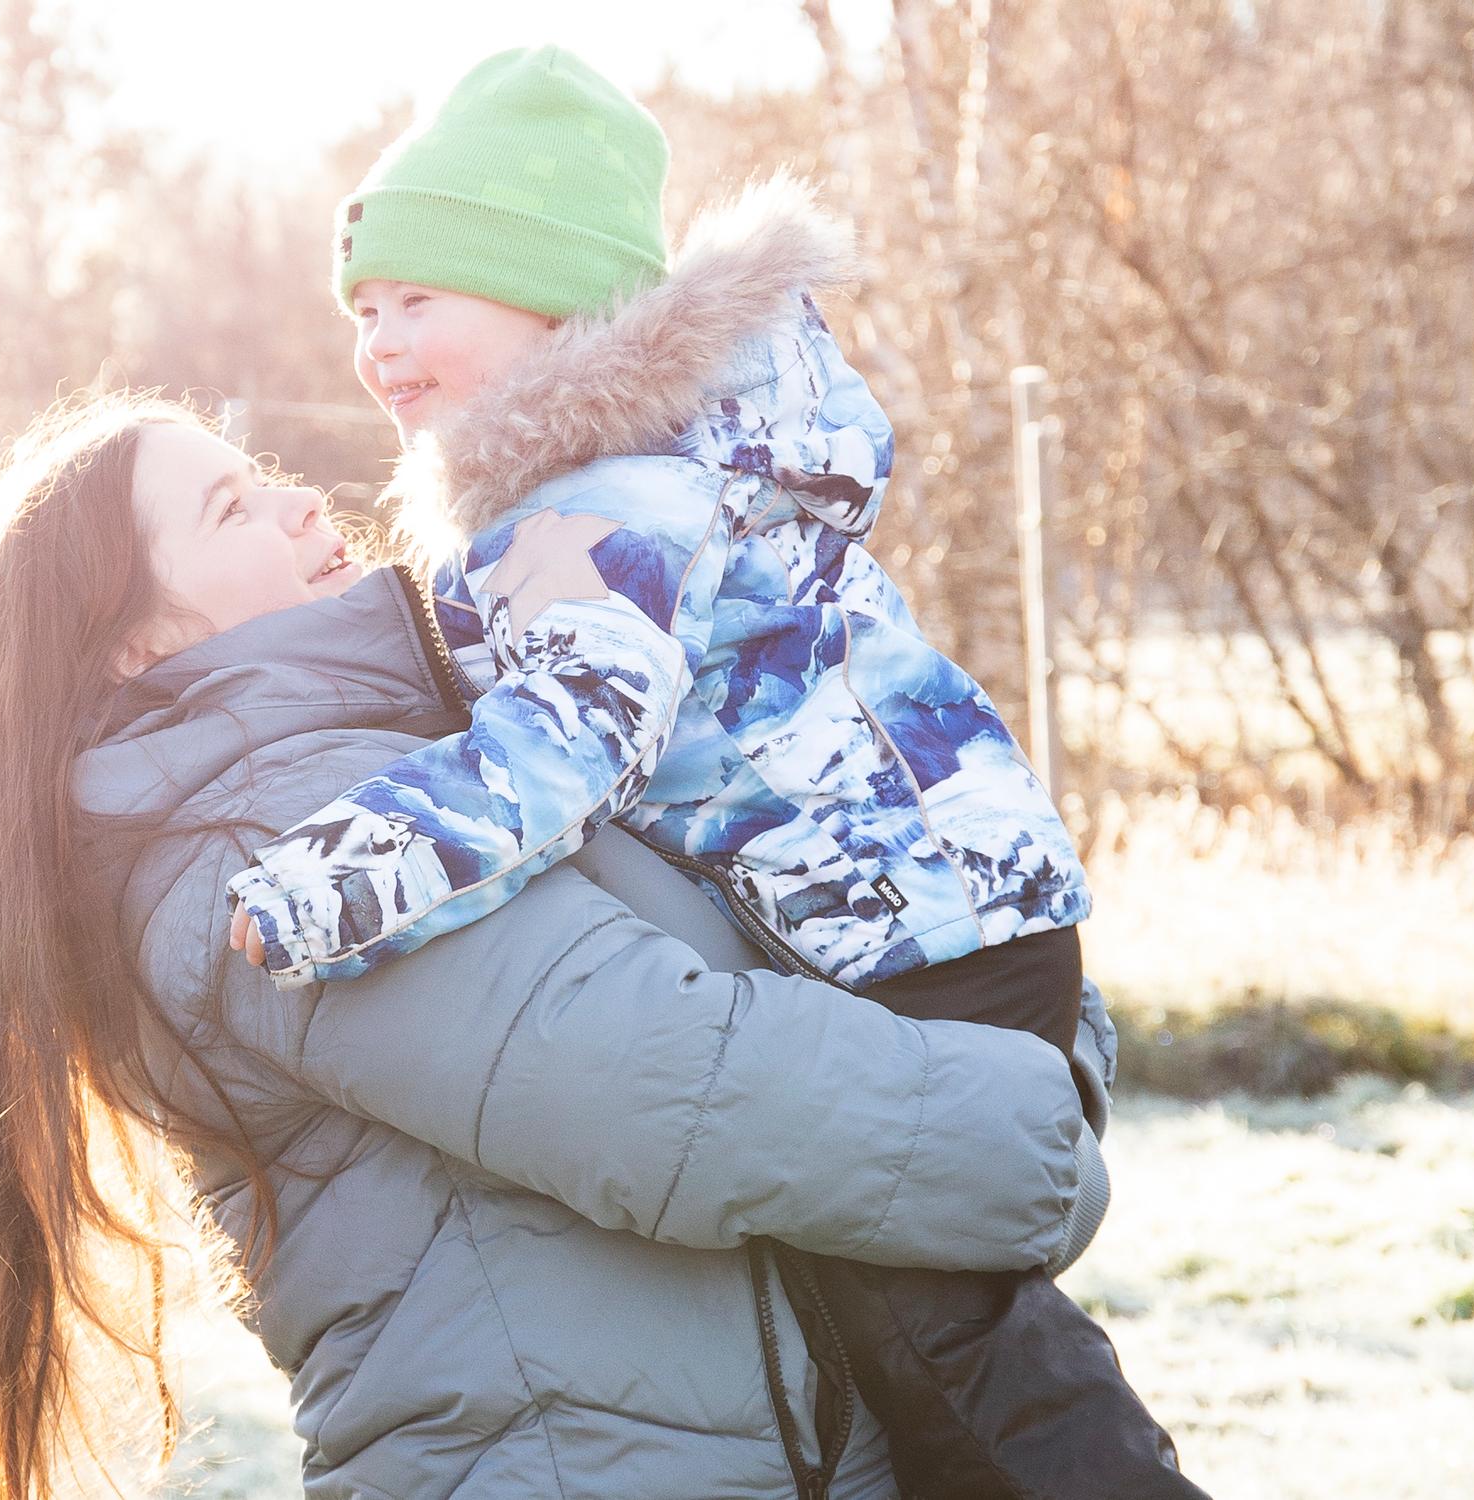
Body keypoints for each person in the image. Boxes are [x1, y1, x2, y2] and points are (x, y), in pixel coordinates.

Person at [220, 46, 1200, 1499]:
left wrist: (336, 881)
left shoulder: (602, 509)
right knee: (901, 1337)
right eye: (365, 310)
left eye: (420, 298)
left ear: (550, 294)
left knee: (939, 1344)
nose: (378, 343)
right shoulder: (644, 472)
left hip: (909, 938)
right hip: (939, 919)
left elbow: (566, 741)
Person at [0, 391, 1111, 1499]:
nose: (296, 497)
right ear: (133, 649)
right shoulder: (268, 841)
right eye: (231, 508)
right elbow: (672, 1085)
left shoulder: (450, 770)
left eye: (260, 469)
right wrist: (1040, 1117)